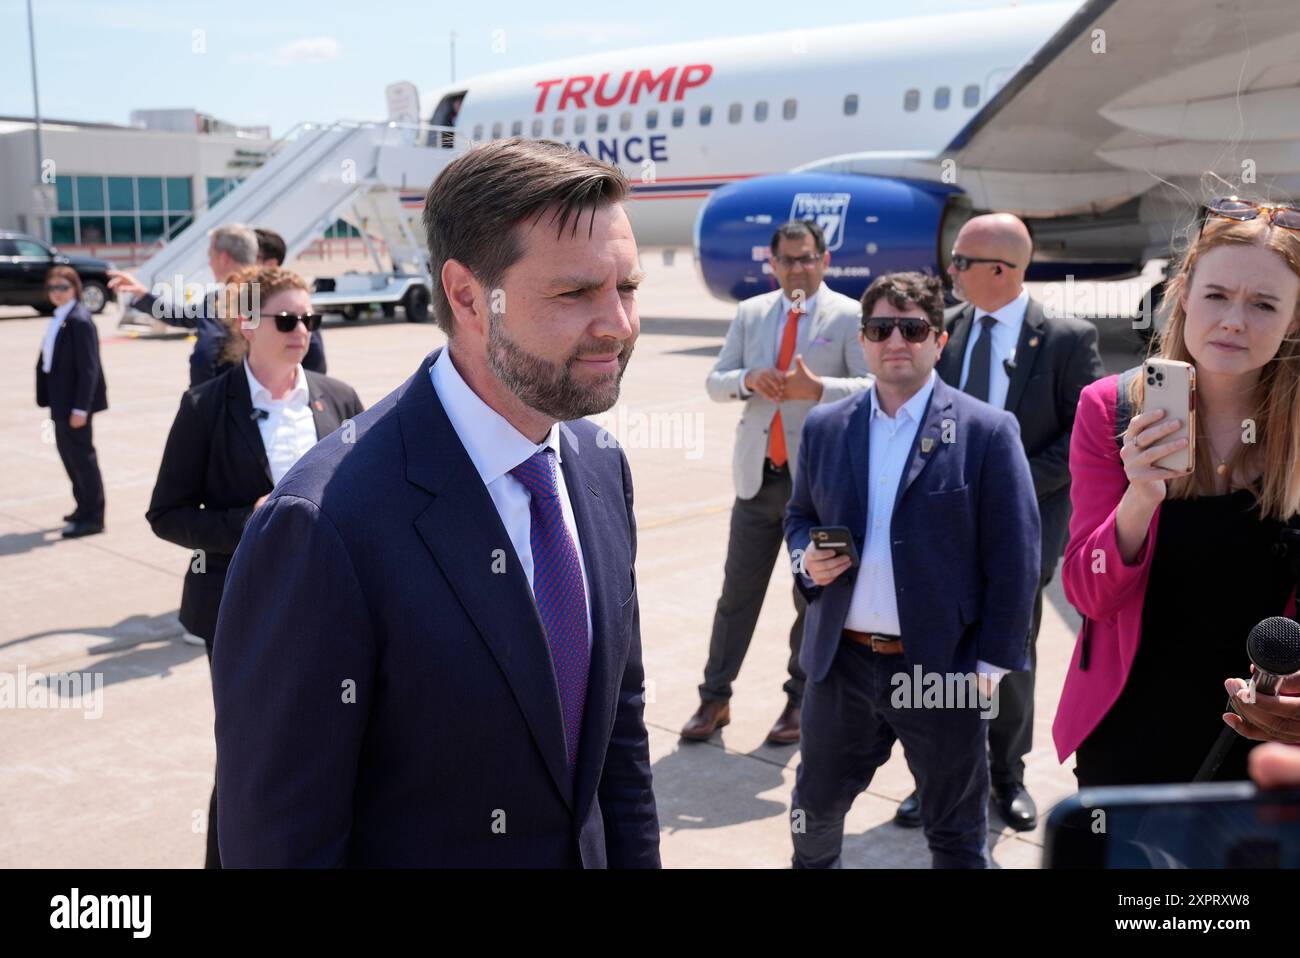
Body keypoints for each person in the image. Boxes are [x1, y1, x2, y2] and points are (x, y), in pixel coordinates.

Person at [211, 138, 660, 867]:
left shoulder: (600, 466)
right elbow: (280, 843)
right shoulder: (324, 525)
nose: (619, 323)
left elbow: (619, 738)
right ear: (466, 296)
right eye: (576, 293)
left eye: (628, 287)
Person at [785, 271, 1040, 868]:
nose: (895, 339)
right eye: (880, 328)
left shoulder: (986, 432)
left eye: (912, 327)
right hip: (840, 663)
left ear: (939, 340)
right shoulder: (826, 425)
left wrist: (991, 667)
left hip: (942, 667)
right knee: (814, 813)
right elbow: (798, 515)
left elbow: (1016, 559)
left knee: (954, 832)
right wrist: (806, 559)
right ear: (864, 339)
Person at [1054, 197, 1300, 787]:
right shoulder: (1109, 409)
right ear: (1183, 293)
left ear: (1294, 319)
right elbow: (1088, 595)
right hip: (1131, 726)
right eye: (1216, 295)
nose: (1234, 321)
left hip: (1265, 728)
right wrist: (1138, 499)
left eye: (1264, 304)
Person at [891, 213, 1104, 831]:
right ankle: (935, 778)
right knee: (933, 660)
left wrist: (1003, 482)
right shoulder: (943, 331)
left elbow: (1084, 438)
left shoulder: (1065, 337)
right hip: (939, 526)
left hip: (1020, 528)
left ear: (1001, 271)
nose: (948, 272)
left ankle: (1006, 776)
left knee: (1007, 656)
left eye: (959, 262)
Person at [145, 264, 362, 868]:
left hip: (333, 605)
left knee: (338, 740)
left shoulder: (337, 397)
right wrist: (253, 519)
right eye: (288, 319)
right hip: (241, 607)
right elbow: (167, 513)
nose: (303, 332)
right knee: (249, 750)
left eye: (309, 320)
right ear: (247, 321)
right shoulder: (206, 407)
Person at [682, 220, 871, 746]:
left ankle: (798, 700)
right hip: (757, 481)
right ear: (772, 265)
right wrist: (747, 380)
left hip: (816, 490)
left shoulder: (849, 315)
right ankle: (714, 697)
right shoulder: (751, 313)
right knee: (736, 597)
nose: (797, 268)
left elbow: (871, 389)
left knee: (810, 598)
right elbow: (716, 381)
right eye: (787, 260)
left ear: (825, 261)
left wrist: (818, 387)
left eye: (807, 258)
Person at [35, 266, 108, 538]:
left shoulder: (80, 319)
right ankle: (82, 506)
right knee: (69, 457)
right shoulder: (59, 317)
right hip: (59, 400)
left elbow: (89, 368)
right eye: (53, 288)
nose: (57, 293)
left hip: (75, 404)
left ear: (75, 289)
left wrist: (81, 408)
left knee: (82, 459)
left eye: (63, 287)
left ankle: (94, 517)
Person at [255, 226, 327, 373]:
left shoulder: (290, 298)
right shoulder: (244, 295)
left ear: (271, 264)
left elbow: (315, 358)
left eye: (251, 258)